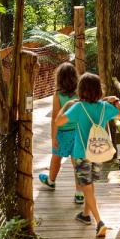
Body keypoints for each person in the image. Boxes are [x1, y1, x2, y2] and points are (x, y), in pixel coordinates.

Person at [53, 72, 120, 237]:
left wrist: (66, 106)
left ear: (81, 90)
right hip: (98, 152)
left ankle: (99, 222)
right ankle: (85, 215)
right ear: (99, 90)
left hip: (81, 154)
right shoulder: (105, 107)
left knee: (87, 188)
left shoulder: (78, 108)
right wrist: (115, 100)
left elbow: (58, 122)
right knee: (90, 186)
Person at [38, 62, 85, 204]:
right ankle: (79, 193)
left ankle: (51, 181)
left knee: (56, 158)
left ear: (59, 78)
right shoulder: (80, 93)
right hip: (77, 132)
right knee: (77, 162)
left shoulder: (58, 95)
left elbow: (55, 118)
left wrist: (54, 137)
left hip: (63, 132)